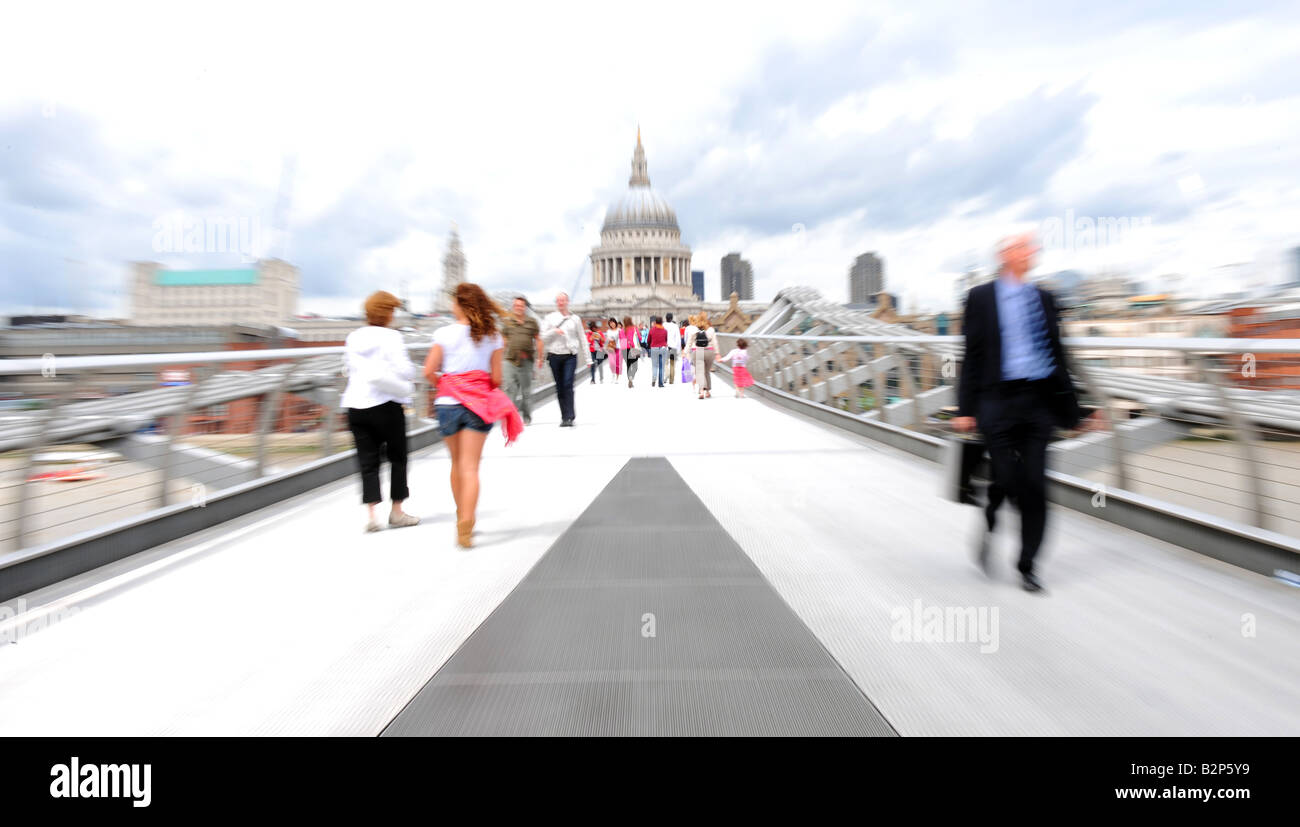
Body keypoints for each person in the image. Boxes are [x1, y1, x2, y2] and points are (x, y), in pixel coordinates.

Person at [954, 232, 1103, 593]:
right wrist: (965, 408)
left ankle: (1028, 566)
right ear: (1004, 255)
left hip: (1038, 403)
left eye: (1031, 247)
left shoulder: (1046, 298)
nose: (1030, 251)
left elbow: (1059, 357)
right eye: (1021, 246)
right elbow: (971, 355)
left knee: (1035, 486)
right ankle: (992, 516)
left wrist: (1076, 413)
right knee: (1007, 478)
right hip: (996, 401)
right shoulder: (980, 298)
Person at [423, 283, 523, 548]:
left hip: (447, 404)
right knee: (471, 468)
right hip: (478, 406)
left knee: (455, 464)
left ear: (460, 305)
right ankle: (466, 526)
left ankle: (460, 516)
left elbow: (428, 370)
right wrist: (474, 385)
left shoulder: (443, 333)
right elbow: (497, 379)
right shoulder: (493, 336)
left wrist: (449, 385)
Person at [341, 291, 421, 533]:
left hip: (355, 404)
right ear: (387, 312)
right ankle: (396, 512)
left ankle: (372, 516)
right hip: (386, 404)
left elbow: (348, 367)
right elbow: (404, 369)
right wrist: (410, 374)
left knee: (367, 460)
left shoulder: (353, 337)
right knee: (398, 457)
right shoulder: (392, 337)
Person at [541, 292, 589, 427]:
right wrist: (554, 331)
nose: (561, 303)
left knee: (568, 385)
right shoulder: (549, 318)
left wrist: (588, 359)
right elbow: (542, 337)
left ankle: (570, 416)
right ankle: (564, 416)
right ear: (556, 302)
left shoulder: (575, 319)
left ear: (568, 301)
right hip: (554, 355)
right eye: (558, 300)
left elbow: (582, 338)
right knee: (560, 387)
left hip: (570, 354)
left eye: (563, 300)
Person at [500, 296, 544, 425]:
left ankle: (527, 417)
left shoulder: (532, 322)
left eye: (521, 305)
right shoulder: (507, 322)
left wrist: (540, 358)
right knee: (510, 390)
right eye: (516, 305)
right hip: (509, 361)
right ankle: (510, 418)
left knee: (526, 392)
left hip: (527, 361)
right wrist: (498, 358)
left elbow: (538, 340)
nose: (518, 308)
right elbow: (503, 341)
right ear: (513, 307)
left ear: (525, 308)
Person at [693, 314, 718, 399]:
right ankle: (707, 392)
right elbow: (715, 342)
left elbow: (690, 342)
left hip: (698, 351)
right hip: (709, 351)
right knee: (706, 372)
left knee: (700, 372)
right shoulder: (711, 329)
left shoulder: (695, 329)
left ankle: (701, 391)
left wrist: (685, 352)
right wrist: (717, 353)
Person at [647, 316, 669, 387]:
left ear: (655, 322)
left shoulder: (652, 330)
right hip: (663, 348)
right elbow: (666, 340)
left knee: (654, 365)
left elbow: (648, 340)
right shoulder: (665, 330)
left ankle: (654, 379)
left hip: (654, 348)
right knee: (661, 366)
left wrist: (651, 343)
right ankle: (660, 383)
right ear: (662, 322)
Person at [620, 315, 641, 388]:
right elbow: (640, 338)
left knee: (628, 366)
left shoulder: (622, 330)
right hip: (634, 349)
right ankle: (631, 377)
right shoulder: (634, 328)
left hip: (625, 349)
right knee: (635, 366)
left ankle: (630, 379)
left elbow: (621, 341)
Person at [682, 314, 700, 391]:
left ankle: (693, 384)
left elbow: (686, 340)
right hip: (698, 348)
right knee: (698, 366)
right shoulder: (697, 328)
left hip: (690, 349)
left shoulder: (687, 328)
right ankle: (698, 380)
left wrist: (685, 350)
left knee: (692, 365)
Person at [663, 313, 681, 385]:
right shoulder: (675, 326)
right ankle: (671, 380)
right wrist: (678, 350)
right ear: (672, 318)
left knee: (665, 363)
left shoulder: (663, 325)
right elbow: (678, 339)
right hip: (673, 347)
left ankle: (666, 374)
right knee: (673, 365)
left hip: (665, 347)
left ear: (666, 318)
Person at [605, 318, 622, 382]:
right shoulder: (608, 331)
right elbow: (607, 339)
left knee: (617, 363)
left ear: (615, 323)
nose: (612, 324)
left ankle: (617, 378)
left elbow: (623, 338)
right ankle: (613, 374)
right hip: (611, 348)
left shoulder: (619, 330)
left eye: (613, 322)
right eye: (610, 323)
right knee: (611, 363)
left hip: (618, 348)